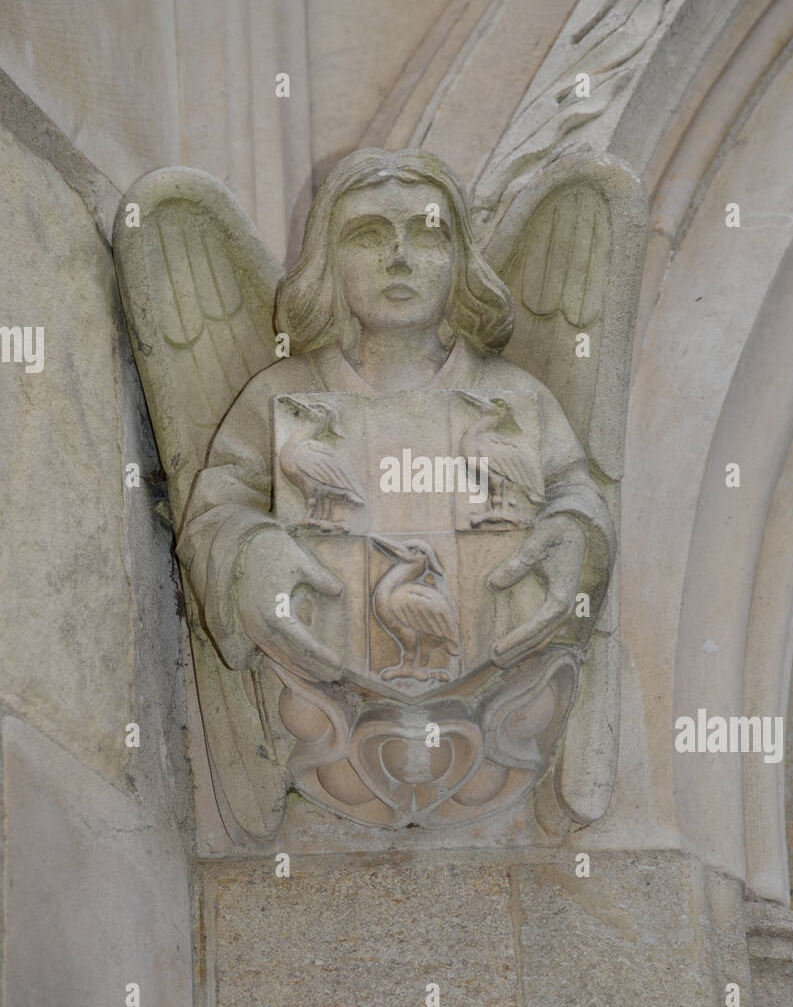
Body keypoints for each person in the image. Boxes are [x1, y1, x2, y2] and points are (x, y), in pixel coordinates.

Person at [176, 148, 613, 689]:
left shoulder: (507, 394)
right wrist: (252, 552)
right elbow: (219, 505)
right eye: (369, 235)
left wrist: (572, 532)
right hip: (321, 704)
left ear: (459, 261)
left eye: (428, 233)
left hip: (494, 695)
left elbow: (574, 489)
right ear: (329, 260)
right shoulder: (284, 392)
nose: (399, 258)